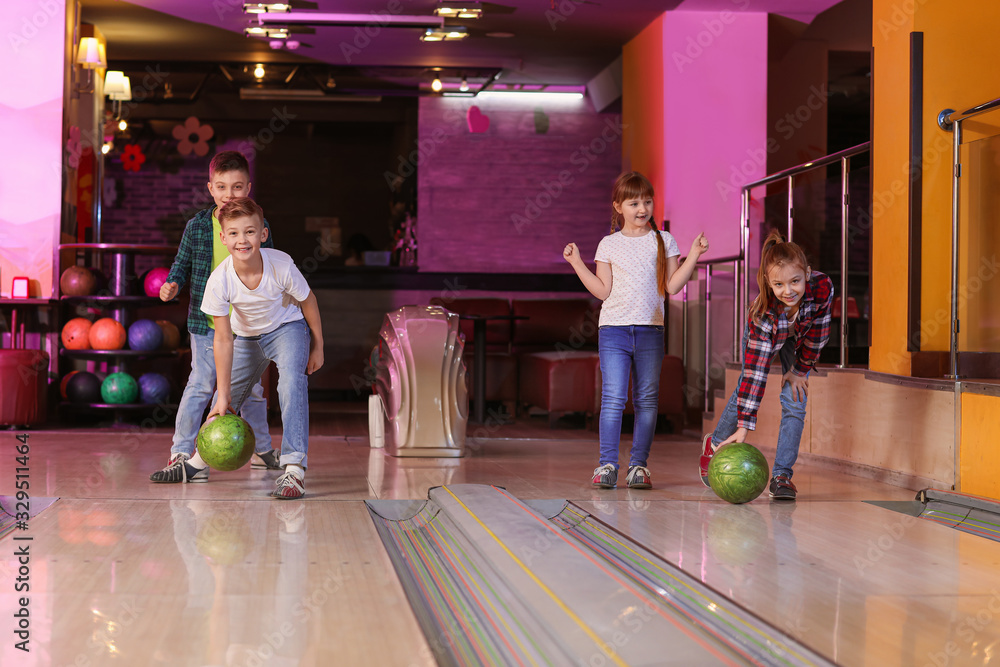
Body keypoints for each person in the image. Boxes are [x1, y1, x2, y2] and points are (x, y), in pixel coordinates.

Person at [563, 171, 709, 490]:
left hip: (650, 331)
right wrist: (576, 263)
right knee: (614, 398)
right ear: (618, 206)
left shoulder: (664, 240)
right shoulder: (608, 244)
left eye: (647, 201)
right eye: (634, 203)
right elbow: (602, 291)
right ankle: (607, 465)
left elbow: (672, 286)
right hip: (613, 331)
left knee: (646, 399)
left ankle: (639, 466)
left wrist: (695, 255)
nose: (642, 208)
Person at [150, 150, 279, 484]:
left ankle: (262, 450)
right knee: (201, 385)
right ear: (210, 188)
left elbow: (272, 268)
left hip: (248, 328)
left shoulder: (259, 225)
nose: (229, 195)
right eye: (221, 187)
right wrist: (172, 284)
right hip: (207, 326)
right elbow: (181, 263)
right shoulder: (197, 226)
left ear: (248, 187)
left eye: (237, 187)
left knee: (251, 391)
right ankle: (181, 451)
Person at [202, 197, 323, 499]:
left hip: (287, 328)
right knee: (222, 400)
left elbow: (308, 300)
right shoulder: (218, 280)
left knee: (291, 383)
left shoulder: (281, 265)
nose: (242, 240)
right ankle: (197, 461)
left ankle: (293, 468)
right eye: (233, 233)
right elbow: (223, 338)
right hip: (246, 337)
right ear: (223, 238)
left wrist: (318, 345)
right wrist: (224, 393)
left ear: (263, 234)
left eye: (250, 232)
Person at [699, 229, 833, 500]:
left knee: (795, 401)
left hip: (800, 340)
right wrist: (744, 426)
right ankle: (715, 443)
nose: (788, 291)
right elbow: (755, 375)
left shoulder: (822, 287)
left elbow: (820, 332)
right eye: (779, 285)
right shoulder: (762, 315)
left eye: (795, 281)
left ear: (807, 273)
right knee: (744, 388)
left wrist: (800, 369)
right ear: (768, 283)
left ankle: (782, 476)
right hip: (771, 335)